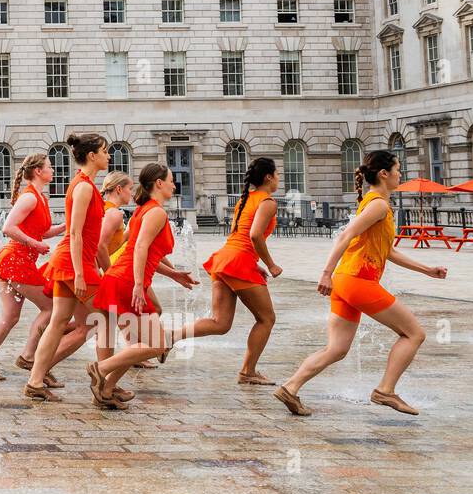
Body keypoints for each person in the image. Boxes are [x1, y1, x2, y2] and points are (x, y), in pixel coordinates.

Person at [274, 150, 445, 417]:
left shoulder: (373, 203)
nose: (401, 174)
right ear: (384, 174)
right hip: (357, 280)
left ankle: (290, 387)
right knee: (414, 334)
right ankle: (385, 391)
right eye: (398, 169)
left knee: (337, 349)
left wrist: (426, 270)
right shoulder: (378, 205)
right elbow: (345, 235)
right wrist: (325, 272)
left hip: (346, 282)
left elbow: (387, 251)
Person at [87, 163, 197, 409]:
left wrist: (173, 274)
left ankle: (104, 389)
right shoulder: (155, 212)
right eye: (170, 180)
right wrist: (138, 285)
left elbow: (145, 255)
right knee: (155, 345)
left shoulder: (143, 210)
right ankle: (100, 369)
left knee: (139, 343)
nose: (174, 184)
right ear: (158, 183)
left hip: (121, 278)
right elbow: (139, 249)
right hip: (127, 282)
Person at [175, 157, 282, 384]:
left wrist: (255, 264)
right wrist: (271, 264)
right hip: (238, 262)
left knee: (220, 323)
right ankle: (247, 371)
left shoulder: (246, 199)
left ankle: (170, 336)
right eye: (277, 174)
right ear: (268, 177)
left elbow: (240, 237)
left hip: (225, 259)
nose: (278, 178)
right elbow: (253, 235)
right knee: (267, 318)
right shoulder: (268, 202)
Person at [27, 134, 110, 400]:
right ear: (92, 156)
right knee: (106, 319)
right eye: (105, 152)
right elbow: (74, 233)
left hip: (70, 262)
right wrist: (81, 274)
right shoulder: (84, 187)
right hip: (74, 264)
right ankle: (106, 382)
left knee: (59, 322)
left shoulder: (85, 185)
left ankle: (35, 381)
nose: (109, 156)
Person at [0, 154, 65, 381]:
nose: (52, 170)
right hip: (16, 260)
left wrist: (65, 225)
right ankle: (28, 356)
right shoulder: (30, 198)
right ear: (38, 172)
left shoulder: (40, 198)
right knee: (51, 307)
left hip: (16, 261)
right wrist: (34, 244)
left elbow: (40, 231)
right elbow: (8, 227)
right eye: (49, 167)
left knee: (10, 316)